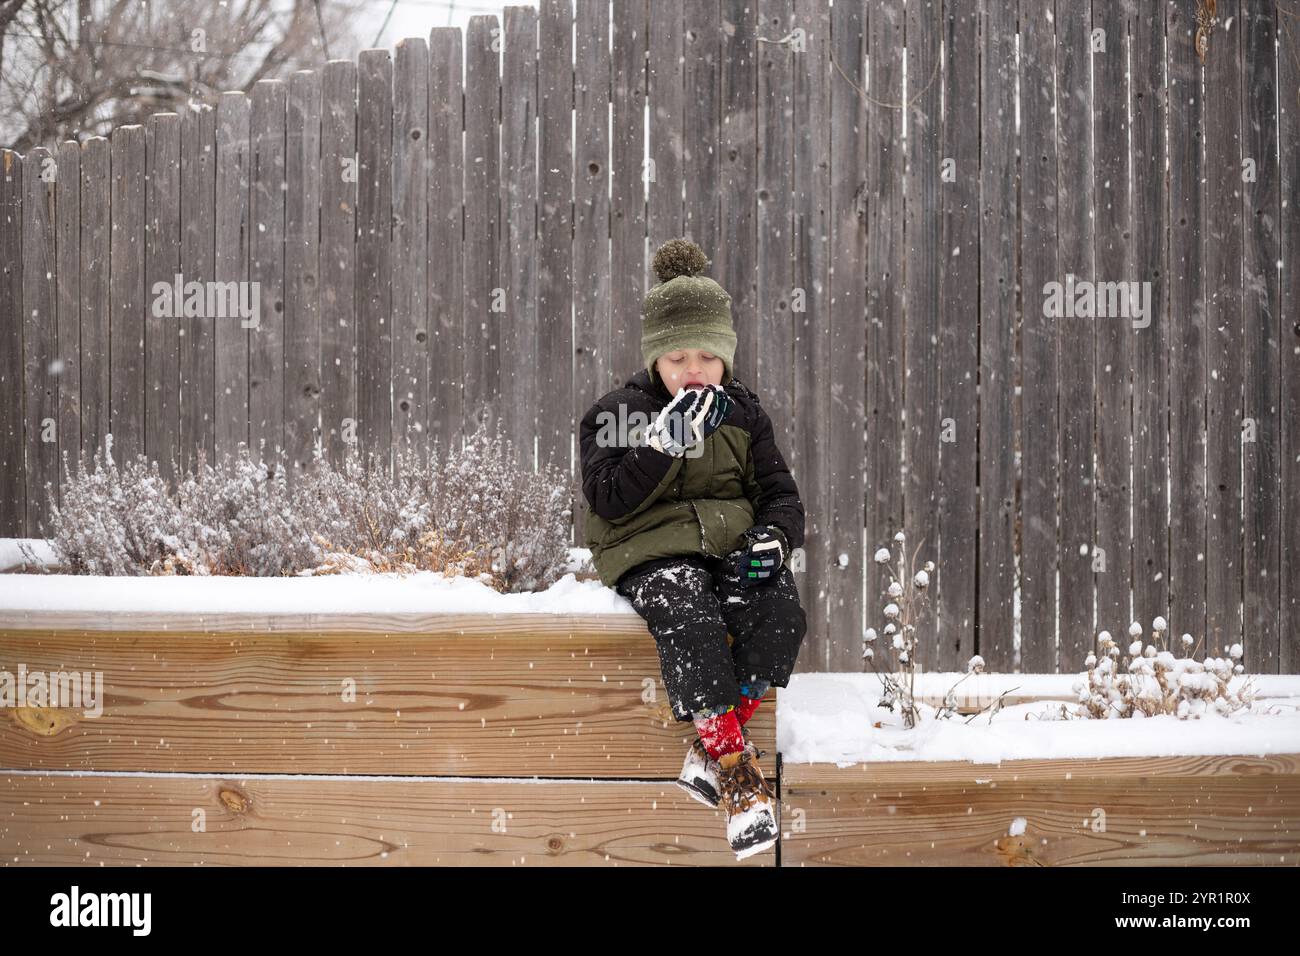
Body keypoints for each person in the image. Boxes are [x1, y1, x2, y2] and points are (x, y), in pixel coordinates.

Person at [578, 237, 807, 860]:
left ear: (727, 360)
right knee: (691, 615)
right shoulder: (615, 412)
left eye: (708, 355)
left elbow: (782, 495)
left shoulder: (745, 415)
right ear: (655, 361)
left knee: (782, 611)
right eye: (677, 357)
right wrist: (664, 440)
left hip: (726, 549)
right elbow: (607, 498)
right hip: (648, 552)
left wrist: (774, 540)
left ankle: (710, 742)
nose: (694, 371)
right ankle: (738, 779)